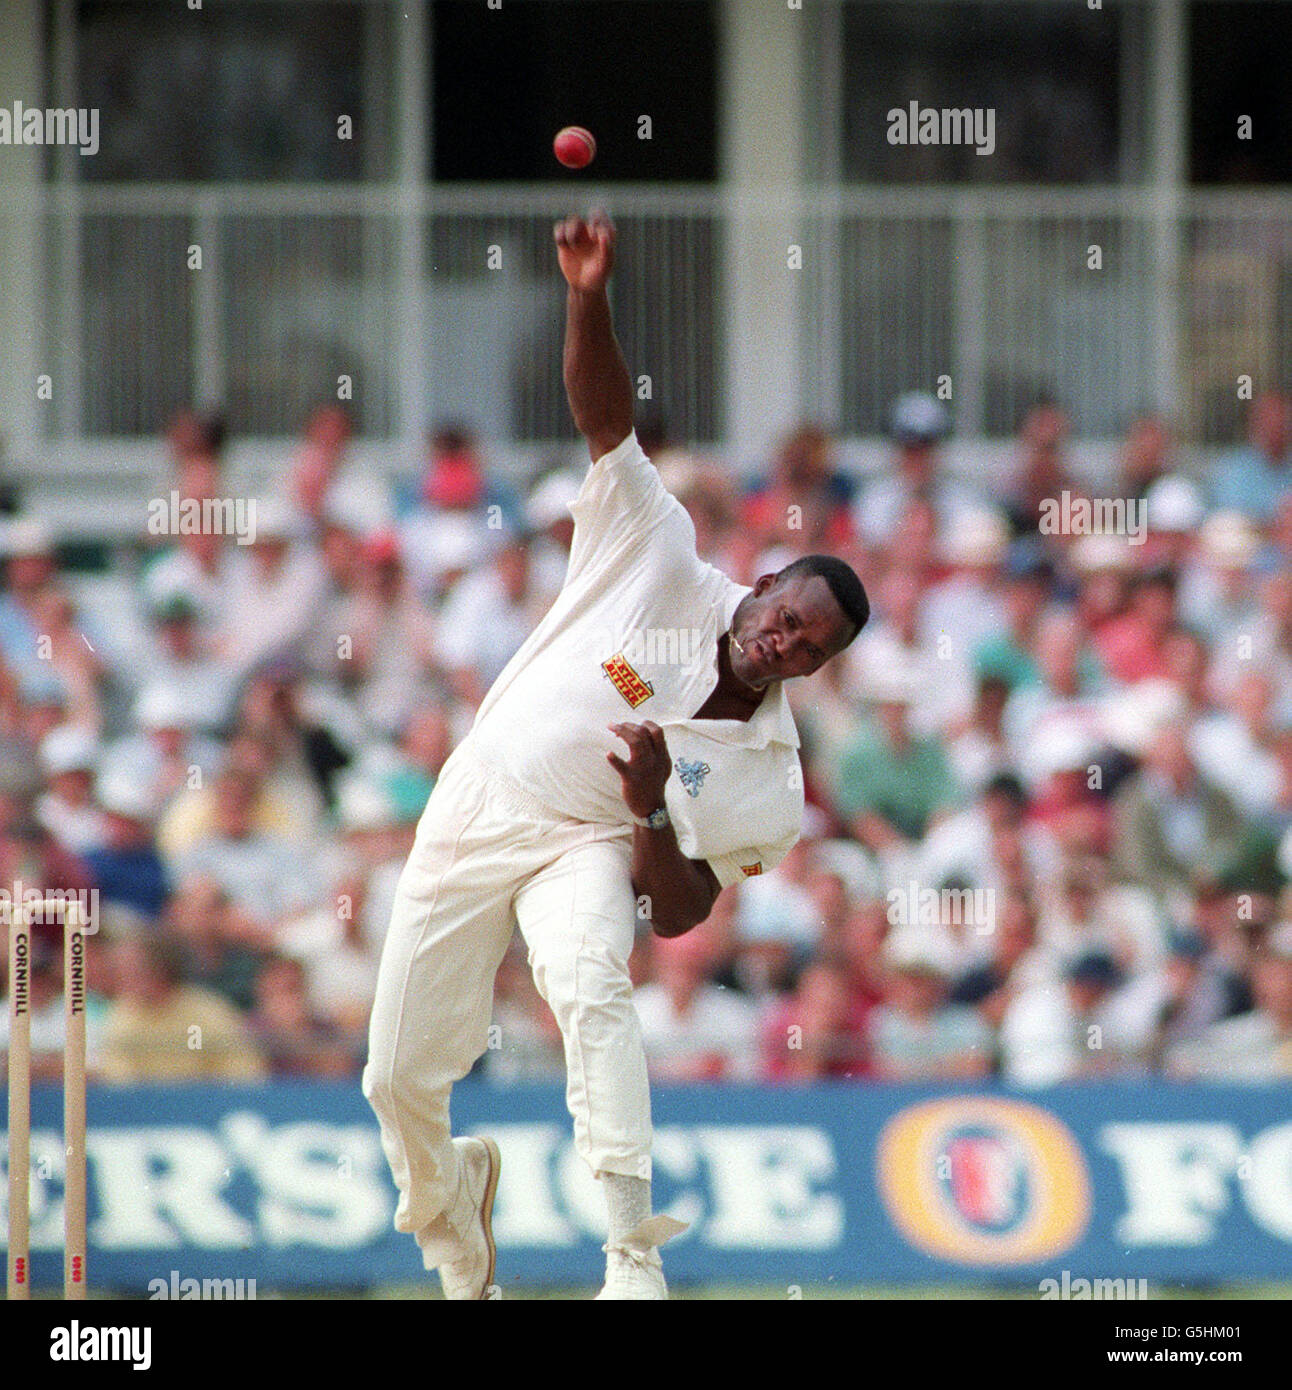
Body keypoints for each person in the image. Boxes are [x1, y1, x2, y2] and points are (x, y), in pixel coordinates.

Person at [363, 211, 870, 1301]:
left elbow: (679, 914)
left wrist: (647, 806)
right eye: (785, 616)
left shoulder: (769, 777)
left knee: (594, 985)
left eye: (806, 647)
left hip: (590, 841)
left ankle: (632, 1253)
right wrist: (587, 296)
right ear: (763, 585)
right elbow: (604, 419)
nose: (781, 642)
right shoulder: (660, 549)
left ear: (818, 668)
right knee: (394, 1075)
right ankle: (456, 1216)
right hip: (480, 799)